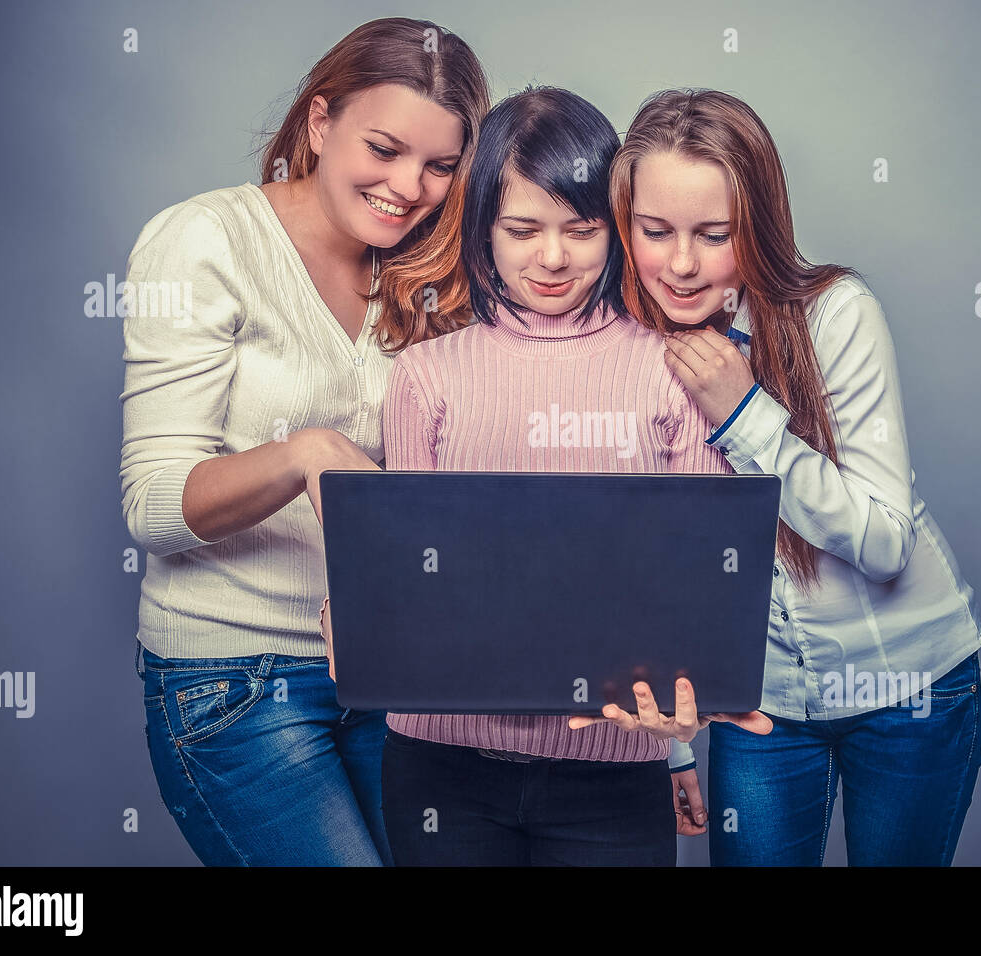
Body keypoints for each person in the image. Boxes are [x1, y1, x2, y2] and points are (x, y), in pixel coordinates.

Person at [320, 86, 764, 866]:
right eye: (522, 229)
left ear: (617, 228)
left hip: (612, 774)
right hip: (438, 769)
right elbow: (411, 582)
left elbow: (703, 585)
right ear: (483, 228)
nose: (552, 258)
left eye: (581, 230)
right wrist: (355, 616)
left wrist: (681, 740)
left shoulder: (672, 370)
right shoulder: (425, 376)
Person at [120, 17, 489, 865]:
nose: (410, 186)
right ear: (320, 124)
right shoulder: (207, 240)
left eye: (440, 166)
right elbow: (151, 506)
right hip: (233, 679)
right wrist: (304, 453)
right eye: (384, 149)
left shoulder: (427, 267)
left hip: (385, 673)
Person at [589, 88, 981, 865]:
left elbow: (882, 543)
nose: (680, 264)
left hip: (911, 690)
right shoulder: (626, 353)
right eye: (653, 230)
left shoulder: (835, 313)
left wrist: (743, 414)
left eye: (714, 234)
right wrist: (672, 750)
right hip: (765, 708)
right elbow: (641, 572)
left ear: (759, 224)